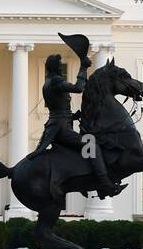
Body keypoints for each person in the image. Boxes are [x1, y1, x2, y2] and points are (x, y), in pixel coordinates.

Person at [28, 49, 124, 198]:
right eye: (59, 65)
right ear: (55, 67)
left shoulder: (48, 83)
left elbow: (58, 110)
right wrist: (83, 67)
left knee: (83, 147)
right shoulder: (55, 82)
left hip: (59, 125)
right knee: (92, 145)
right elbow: (78, 88)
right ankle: (105, 184)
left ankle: (84, 181)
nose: (61, 67)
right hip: (61, 129)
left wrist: (73, 116)